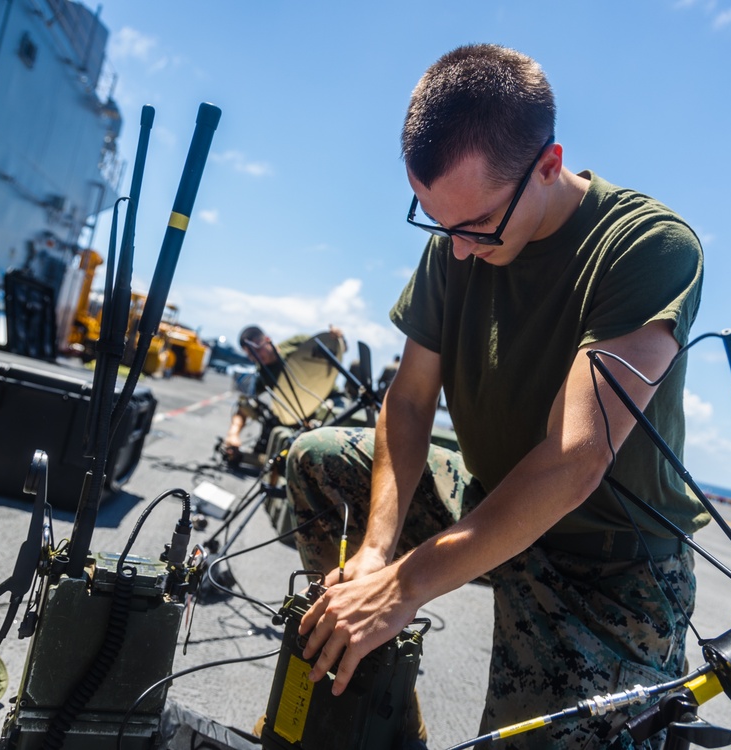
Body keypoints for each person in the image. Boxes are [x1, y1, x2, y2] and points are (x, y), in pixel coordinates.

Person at [284, 44, 707, 749]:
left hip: (604, 565)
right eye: (436, 223)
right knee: (322, 460)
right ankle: (373, 714)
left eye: (475, 226)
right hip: (487, 498)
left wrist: (404, 587)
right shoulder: (459, 239)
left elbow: (575, 459)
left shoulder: (646, 246)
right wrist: (377, 551)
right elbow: (412, 400)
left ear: (548, 164)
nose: (455, 250)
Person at [222, 324, 346, 455]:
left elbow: (336, 349)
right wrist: (233, 434)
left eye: (257, 351)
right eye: (251, 356)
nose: (256, 357)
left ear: (267, 340)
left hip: (330, 401)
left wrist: (338, 338)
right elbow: (245, 405)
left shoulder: (297, 343)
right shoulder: (263, 373)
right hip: (296, 418)